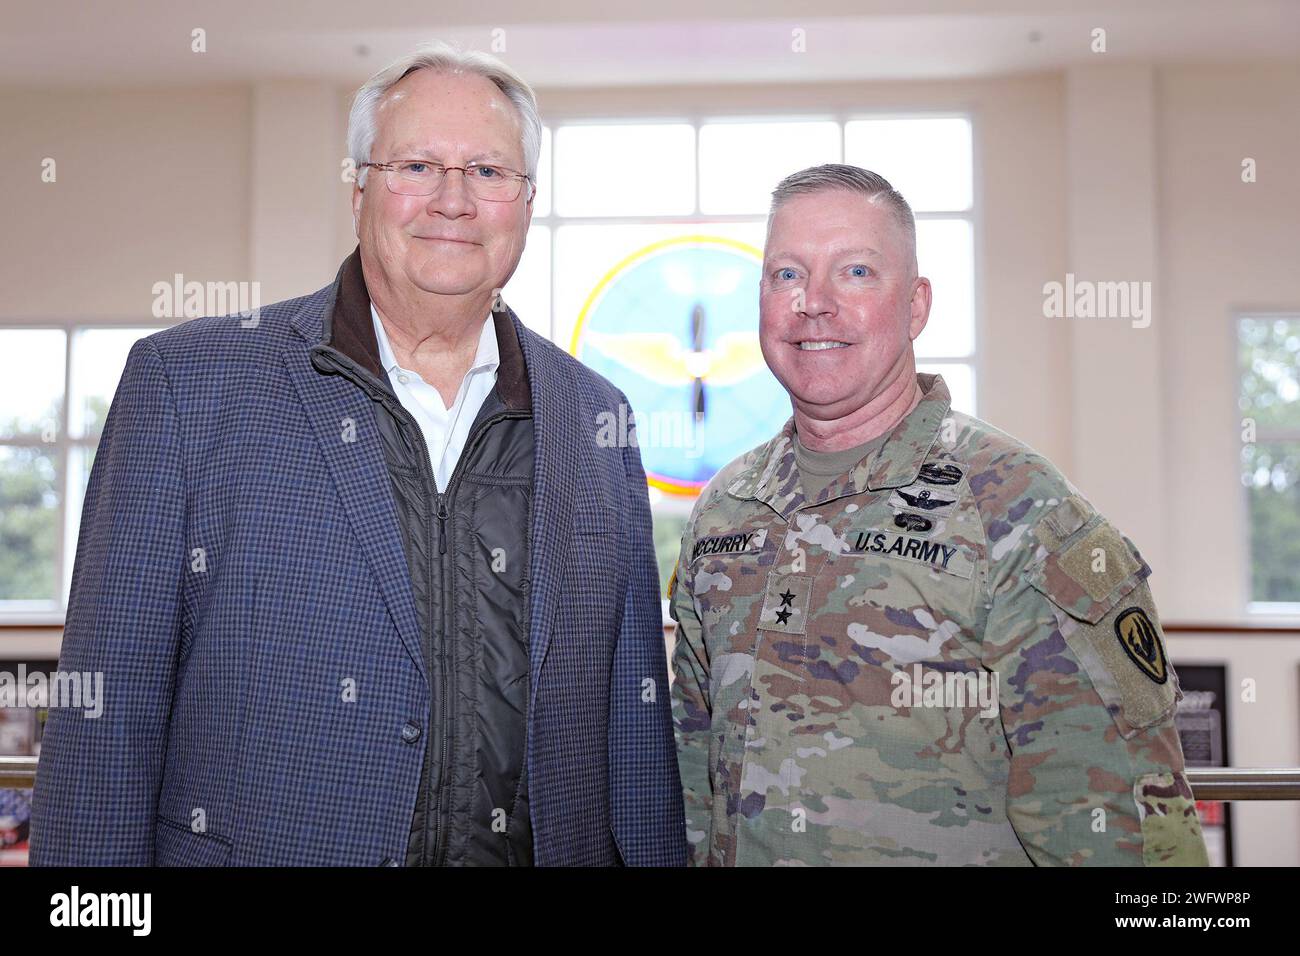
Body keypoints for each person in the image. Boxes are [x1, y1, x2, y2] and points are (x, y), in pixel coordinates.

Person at [31, 41, 684, 867]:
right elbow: (106, 712)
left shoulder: (597, 417)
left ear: (526, 201)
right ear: (358, 188)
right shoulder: (188, 385)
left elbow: (632, 729)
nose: (453, 200)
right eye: (416, 164)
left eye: (488, 172)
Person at [668, 163, 1208, 866]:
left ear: (916, 305)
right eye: (787, 275)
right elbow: (690, 779)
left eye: (856, 272)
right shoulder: (726, 512)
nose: (814, 303)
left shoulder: (1018, 511)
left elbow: (1123, 831)